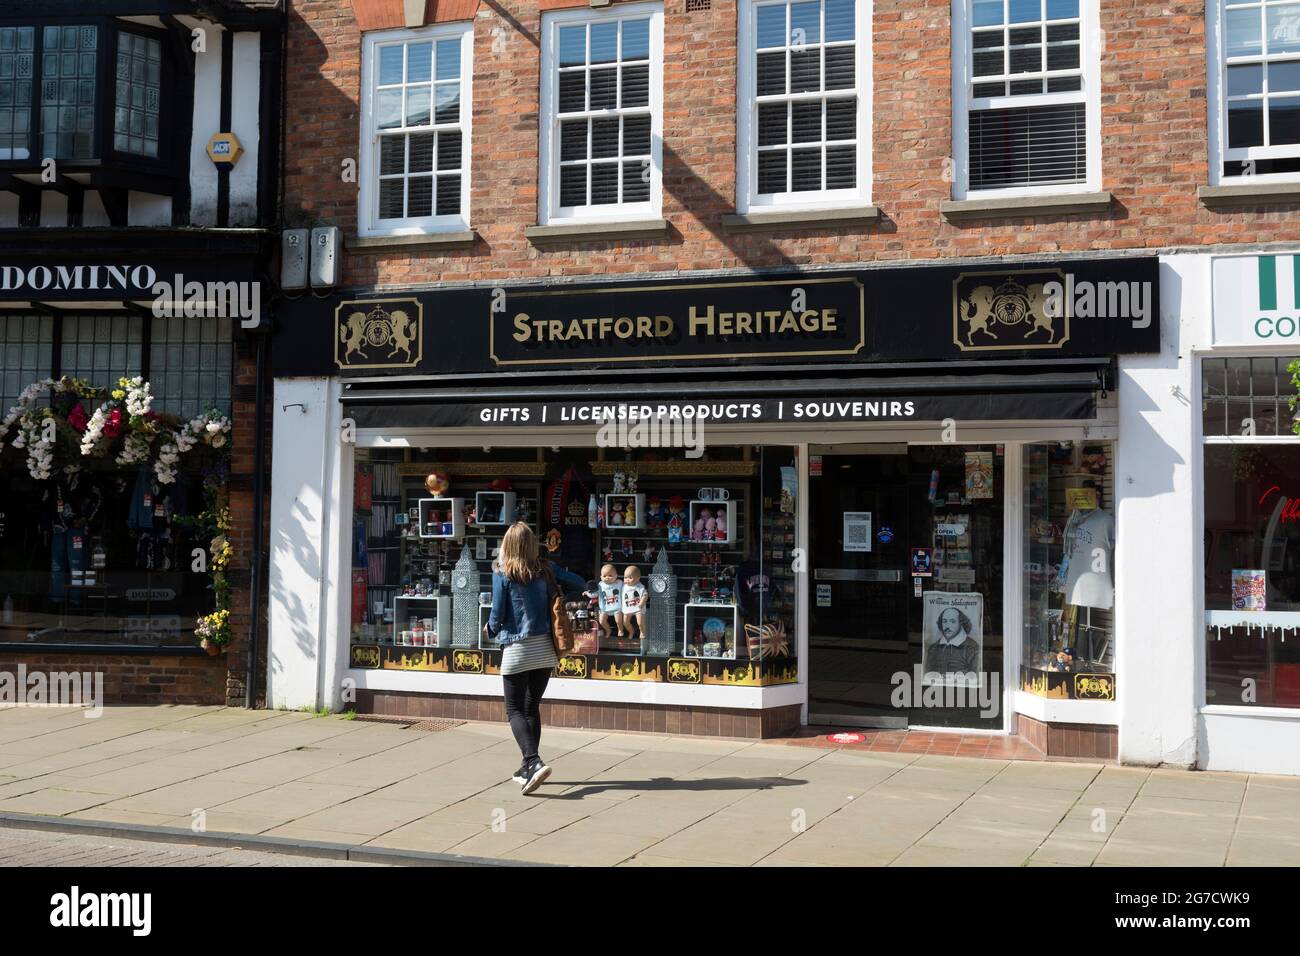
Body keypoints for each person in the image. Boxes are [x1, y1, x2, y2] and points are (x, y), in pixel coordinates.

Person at [484, 522, 561, 795]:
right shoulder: (545, 570)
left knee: (514, 710)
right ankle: (527, 767)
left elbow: (498, 612)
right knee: (532, 707)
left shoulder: (503, 573)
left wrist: (490, 629)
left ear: (509, 545)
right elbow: (575, 583)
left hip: (517, 648)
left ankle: (533, 760)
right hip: (545, 650)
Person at [925, 606, 979, 677]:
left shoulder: (973, 647)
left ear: (961, 623)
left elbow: (976, 677)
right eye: (944, 621)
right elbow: (927, 674)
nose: (947, 626)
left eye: (952, 621)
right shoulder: (933, 648)